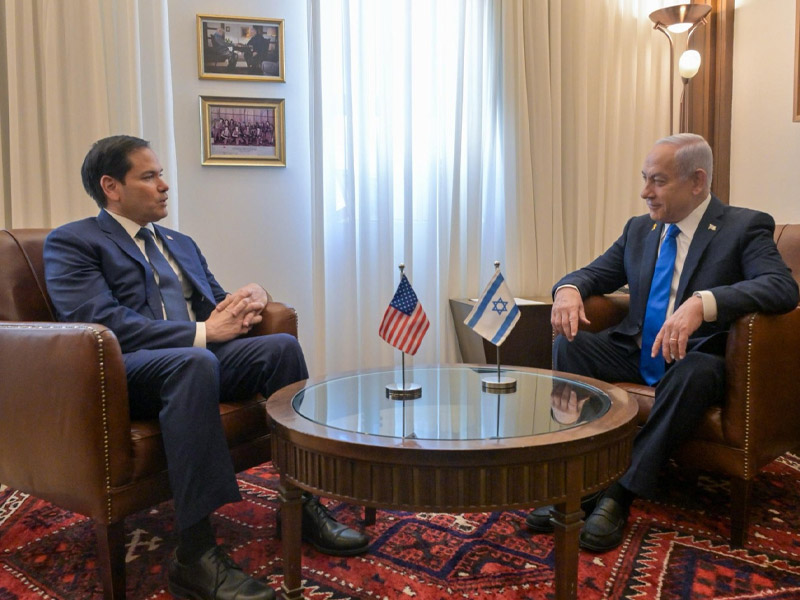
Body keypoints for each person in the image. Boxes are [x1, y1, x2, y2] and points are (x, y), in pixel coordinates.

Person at [43, 135, 369, 600]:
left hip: (194, 361)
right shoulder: (74, 241)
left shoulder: (179, 242)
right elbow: (100, 323)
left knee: (278, 346)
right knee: (193, 361)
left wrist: (250, 299)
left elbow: (218, 308)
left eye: (161, 174)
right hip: (122, 374)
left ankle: (300, 502)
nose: (164, 185)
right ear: (111, 186)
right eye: (149, 176)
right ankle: (194, 554)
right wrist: (202, 335)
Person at [525, 133, 799, 552]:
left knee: (691, 372)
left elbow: (782, 287)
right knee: (572, 343)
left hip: (701, 358)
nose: (644, 192)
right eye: (644, 178)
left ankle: (618, 492)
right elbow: (593, 274)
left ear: (697, 181)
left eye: (657, 181)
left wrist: (703, 303)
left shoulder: (744, 226)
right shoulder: (641, 229)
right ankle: (579, 478)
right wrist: (567, 289)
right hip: (639, 348)